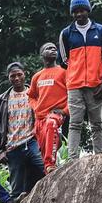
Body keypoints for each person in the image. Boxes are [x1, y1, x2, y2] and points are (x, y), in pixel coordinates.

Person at [59, 0, 102, 158]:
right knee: (75, 123)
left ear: (88, 10)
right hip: (75, 85)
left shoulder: (101, 31)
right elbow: (64, 61)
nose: (79, 14)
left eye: (82, 10)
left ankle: (99, 156)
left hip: (96, 84)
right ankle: (72, 159)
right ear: (72, 13)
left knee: (97, 123)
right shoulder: (66, 33)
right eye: (75, 11)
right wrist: (76, 73)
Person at [0, 63, 46, 200]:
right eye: (13, 76)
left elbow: (45, 116)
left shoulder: (35, 94)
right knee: (16, 190)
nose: (16, 78)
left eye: (19, 74)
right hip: (13, 147)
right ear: (8, 78)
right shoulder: (3, 99)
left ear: (24, 74)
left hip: (32, 141)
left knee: (45, 169)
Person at [28, 43, 68, 172]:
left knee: (51, 123)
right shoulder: (37, 76)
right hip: (40, 118)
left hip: (55, 114)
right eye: (49, 48)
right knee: (44, 149)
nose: (53, 50)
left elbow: (73, 94)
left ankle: (51, 164)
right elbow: (31, 96)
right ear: (42, 54)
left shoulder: (63, 72)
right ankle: (48, 172)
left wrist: (65, 111)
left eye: (55, 49)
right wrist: (36, 107)